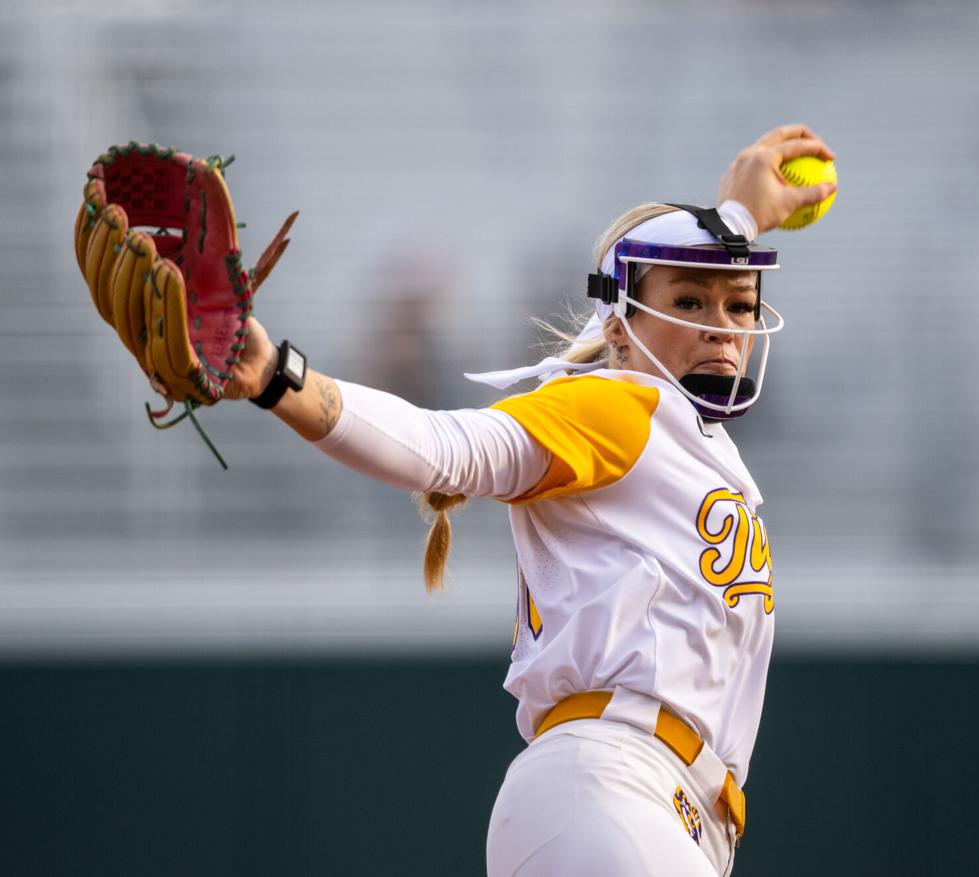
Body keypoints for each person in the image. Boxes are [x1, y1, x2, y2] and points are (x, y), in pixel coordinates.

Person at [225, 124, 837, 877]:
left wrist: (738, 220)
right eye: (688, 300)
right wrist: (277, 376)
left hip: (648, 812)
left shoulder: (687, 443)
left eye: (739, 306)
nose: (720, 327)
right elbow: (441, 445)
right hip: (611, 787)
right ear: (619, 329)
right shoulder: (618, 408)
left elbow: (690, 283)